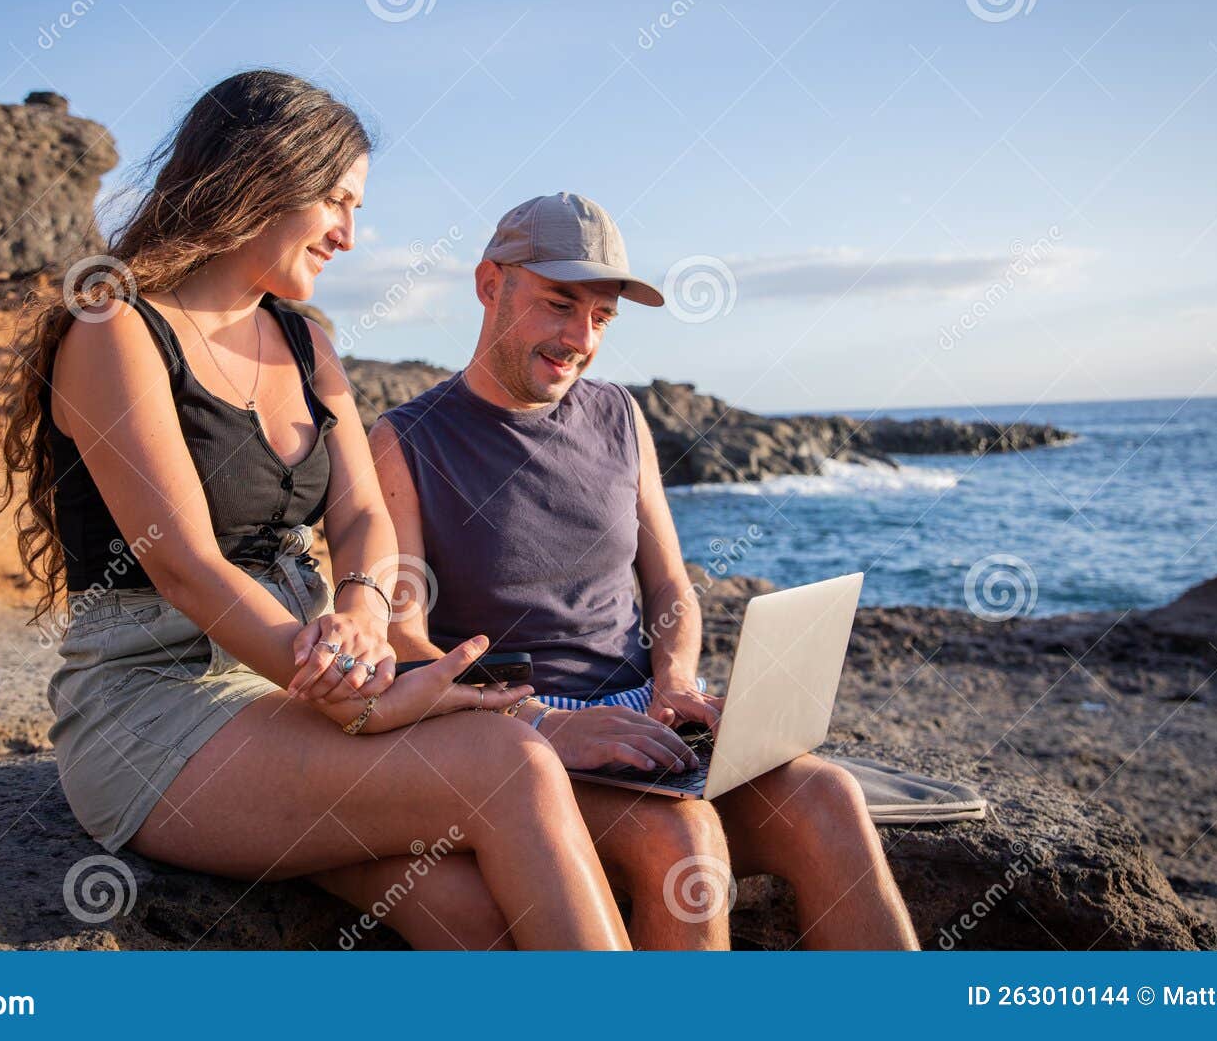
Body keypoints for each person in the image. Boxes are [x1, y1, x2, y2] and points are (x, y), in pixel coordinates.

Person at [0, 77, 629, 950]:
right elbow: (183, 562)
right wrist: (358, 696)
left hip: (291, 685)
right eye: (335, 200)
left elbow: (361, 513)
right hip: (158, 703)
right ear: (257, 175)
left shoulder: (306, 340)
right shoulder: (116, 330)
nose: (349, 234)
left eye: (355, 206)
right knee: (510, 763)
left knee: (473, 910)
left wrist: (363, 619)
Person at [370, 192, 920, 950]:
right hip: (516, 736)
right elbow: (401, 642)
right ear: (489, 283)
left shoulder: (621, 416)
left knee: (831, 796)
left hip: (642, 715)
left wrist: (676, 682)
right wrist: (547, 725)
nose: (579, 338)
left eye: (601, 318)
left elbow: (669, 587)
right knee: (682, 841)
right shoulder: (404, 440)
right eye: (560, 304)